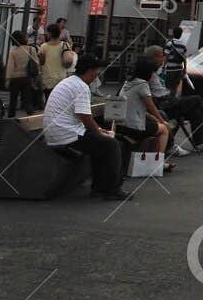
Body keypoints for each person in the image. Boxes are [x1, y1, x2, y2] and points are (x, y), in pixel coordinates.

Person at [42, 55, 128, 201]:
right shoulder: (81, 86)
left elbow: (83, 118)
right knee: (111, 144)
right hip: (66, 135)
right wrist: (99, 131)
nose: (97, 75)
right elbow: (84, 116)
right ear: (90, 71)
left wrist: (98, 131)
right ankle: (112, 190)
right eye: (97, 71)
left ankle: (100, 188)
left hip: (57, 132)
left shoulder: (70, 82)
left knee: (100, 144)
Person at [147, 45, 203, 155]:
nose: (164, 57)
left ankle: (200, 143)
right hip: (162, 105)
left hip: (166, 100)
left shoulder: (159, 69)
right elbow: (159, 94)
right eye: (162, 55)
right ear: (153, 57)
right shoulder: (149, 72)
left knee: (196, 112)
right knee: (197, 99)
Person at [115, 54, 173, 170]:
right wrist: (162, 122)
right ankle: (158, 163)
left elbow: (136, 108)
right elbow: (152, 107)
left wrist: (155, 119)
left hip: (121, 126)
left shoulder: (127, 83)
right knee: (164, 130)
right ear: (148, 72)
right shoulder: (142, 85)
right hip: (134, 128)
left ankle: (152, 160)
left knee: (157, 124)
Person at [5, 31, 42, 117]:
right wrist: (38, 75)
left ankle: (11, 115)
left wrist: (7, 80)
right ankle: (30, 113)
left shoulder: (13, 52)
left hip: (15, 78)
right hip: (27, 77)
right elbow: (36, 63)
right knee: (27, 97)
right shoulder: (31, 49)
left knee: (13, 98)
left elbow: (10, 67)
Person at [38, 23, 72, 92]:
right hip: (61, 78)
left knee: (49, 97)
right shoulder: (65, 45)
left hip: (48, 79)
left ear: (49, 34)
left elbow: (41, 63)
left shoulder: (44, 46)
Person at [162, 26, 190, 95]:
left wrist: (163, 66)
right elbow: (184, 58)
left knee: (168, 87)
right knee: (175, 87)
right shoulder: (183, 45)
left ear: (173, 34)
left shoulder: (169, 43)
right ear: (180, 35)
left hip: (170, 69)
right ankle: (173, 98)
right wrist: (185, 69)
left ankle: (170, 100)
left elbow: (166, 56)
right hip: (179, 69)